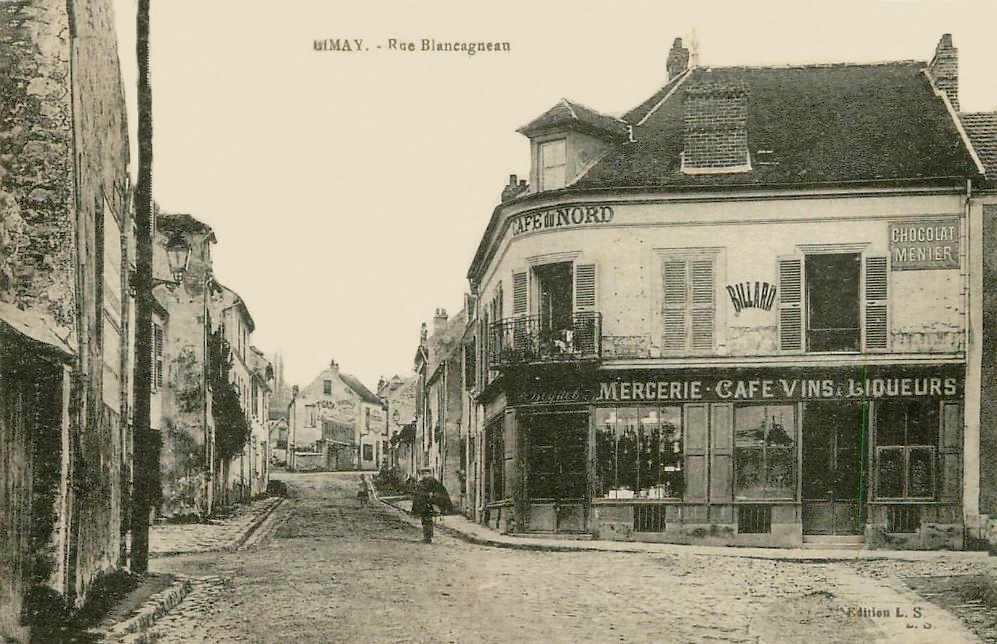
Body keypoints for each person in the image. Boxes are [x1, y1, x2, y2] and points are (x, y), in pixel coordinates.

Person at [410, 468, 436, 543]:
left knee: (428, 521)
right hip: (421, 505)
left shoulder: (432, 483)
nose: (424, 475)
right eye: (423, 474)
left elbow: (434, 494)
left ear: (429, 474)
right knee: (424, 521)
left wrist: (431, 501)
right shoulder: (420, 483)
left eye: (426, 474)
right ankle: (426, 537)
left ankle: (429, 537)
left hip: (428, 505)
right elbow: (417, 495)